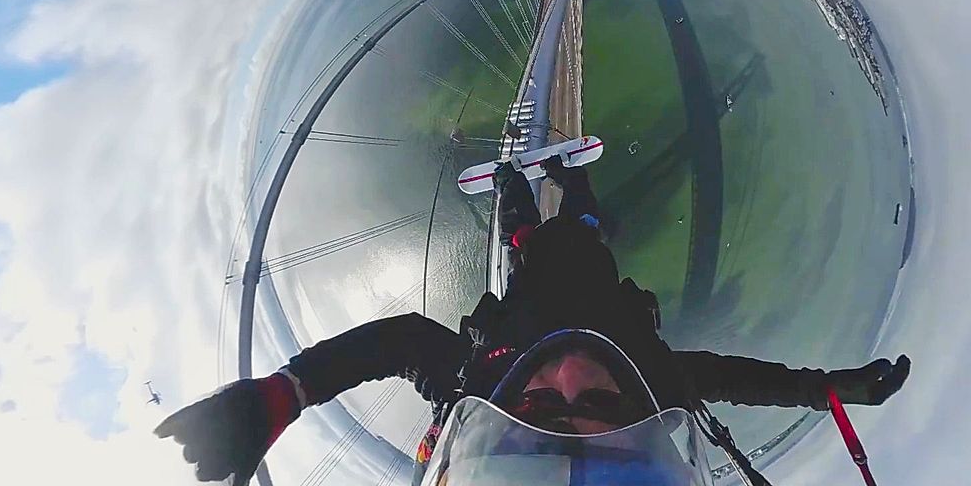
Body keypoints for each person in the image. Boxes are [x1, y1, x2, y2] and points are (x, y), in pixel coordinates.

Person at [156, 158, 910, 486]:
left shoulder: (470, 380)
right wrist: (835, 389)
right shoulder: (660, 382)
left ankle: (518, 187)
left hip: (533, 278)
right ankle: (565, 181)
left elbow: (393, 341)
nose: (575, 373)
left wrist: (283, 396)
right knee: (583, 226)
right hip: (591, 269)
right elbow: (742, 381)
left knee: (527, 239)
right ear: (649, 421)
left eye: (541, 406)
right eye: (606, 408)